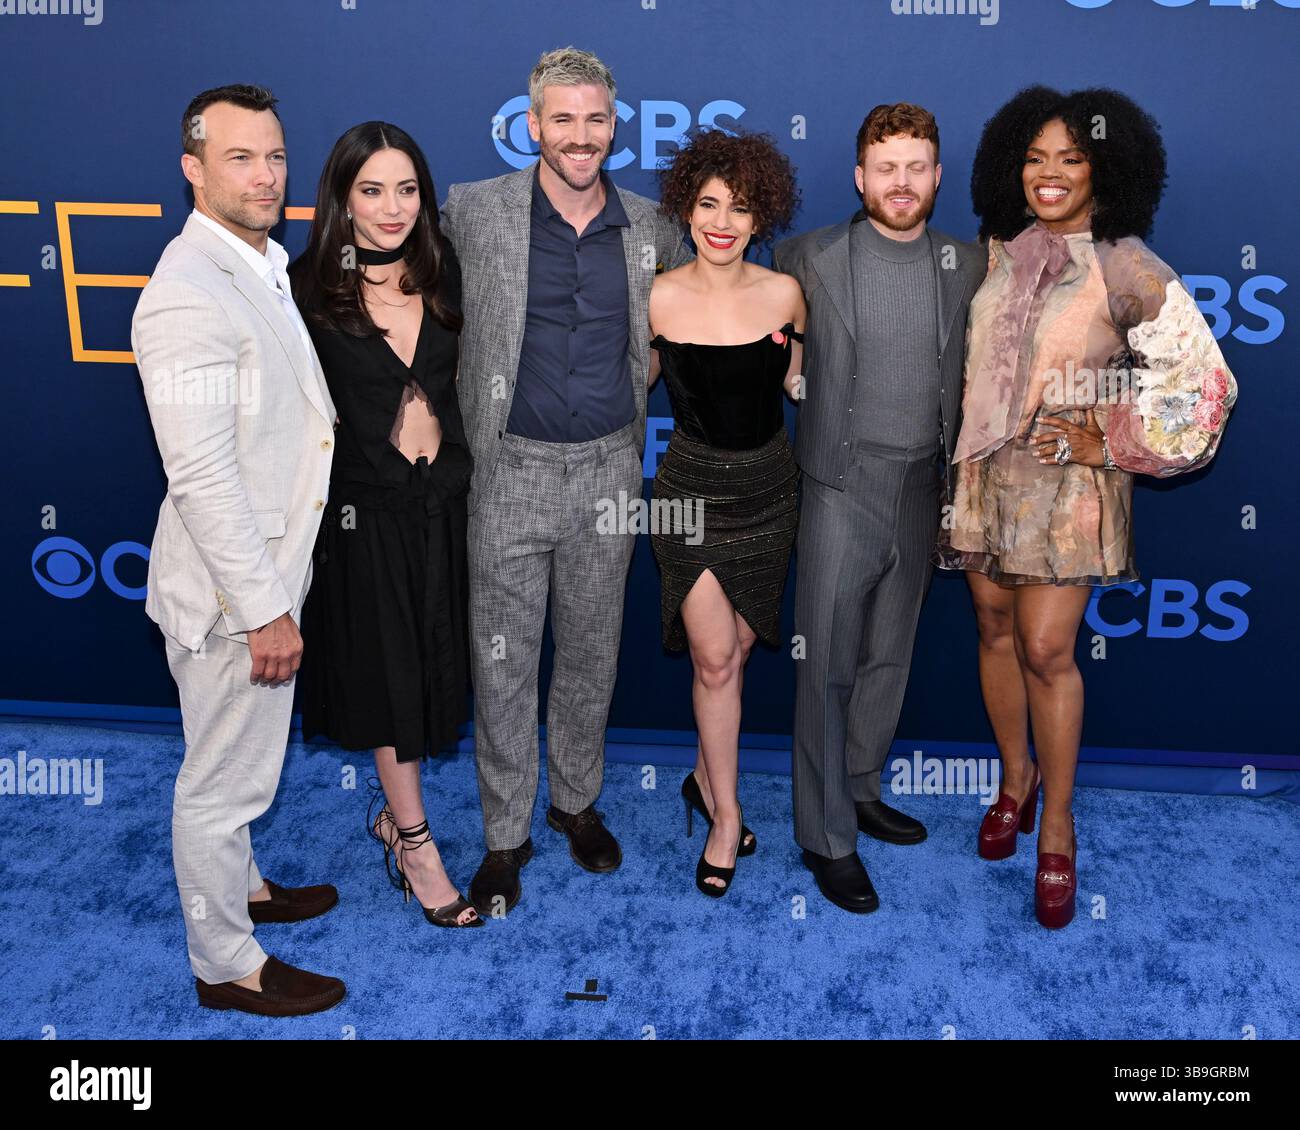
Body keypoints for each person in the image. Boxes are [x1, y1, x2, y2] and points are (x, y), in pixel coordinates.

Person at [936, 87, 1237, 928]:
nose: (1050, 173)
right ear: (1010, 166)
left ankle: (1058, 826)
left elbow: (1207, 385)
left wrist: (1110, 438)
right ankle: (1015, 781)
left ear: (1108, 166)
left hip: (1066, 494)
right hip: (984, 483)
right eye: (1034, 157)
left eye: (1071, 157)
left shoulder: (1126, 264)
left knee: (1044, 648)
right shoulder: (999, 253)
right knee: (993, 631)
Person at [439, 47, 691, 915]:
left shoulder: (654, 226)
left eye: (595, 120)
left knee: (590, 652)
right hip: (509, 470)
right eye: (562, 119)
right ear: (532, 123)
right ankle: (505, 835)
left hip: (610, 471)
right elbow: (402, 295)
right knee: (501, 660)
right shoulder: (475, 212)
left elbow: (702, 308)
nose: (579, 136)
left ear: (612, 127)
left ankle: (575, 802)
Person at [132, 84, 345, 1015]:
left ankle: (247, 886)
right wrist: (263, 609)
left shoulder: (257, 263)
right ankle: (224, 963)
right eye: (239, 159)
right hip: (233, 596)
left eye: (275, 157)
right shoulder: (184, 294)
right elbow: (203, 475)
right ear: (193, 170)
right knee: (219, 785)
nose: (266, 177)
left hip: (261, 575)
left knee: (235, 762)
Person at [773, 103, 985, 913]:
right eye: (885, 167)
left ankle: (860, 785)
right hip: (838, 482)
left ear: (937, 175)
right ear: (860, 177)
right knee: (824, 661)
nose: (902, 182)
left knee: (888, 654)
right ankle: (826, 838)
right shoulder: (806, 257)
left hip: (921, 485)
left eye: (917, 166)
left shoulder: (966, 266)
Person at [290, 122, 481, 928]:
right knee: (393, 682)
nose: (392, 207)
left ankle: (395, 820)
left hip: (442, 510)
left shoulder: (445, 274)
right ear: (341, 199)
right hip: (362, 516)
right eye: (371, 190)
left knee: (433, 678)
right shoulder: (304, 291)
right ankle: (415, 844)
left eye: (407, 189)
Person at [648, 128, 803, 897]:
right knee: (714, 659)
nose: (723, 221)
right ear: (686, 208)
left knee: (735, 657)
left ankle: (705, 781)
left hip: (772, 493)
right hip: (688, 496)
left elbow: (796, 382)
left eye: (740, 208)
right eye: (709, 203)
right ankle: (724, 815)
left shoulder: (783, 295)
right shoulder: (659, 295)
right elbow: (623, 382)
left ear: (760, 218)